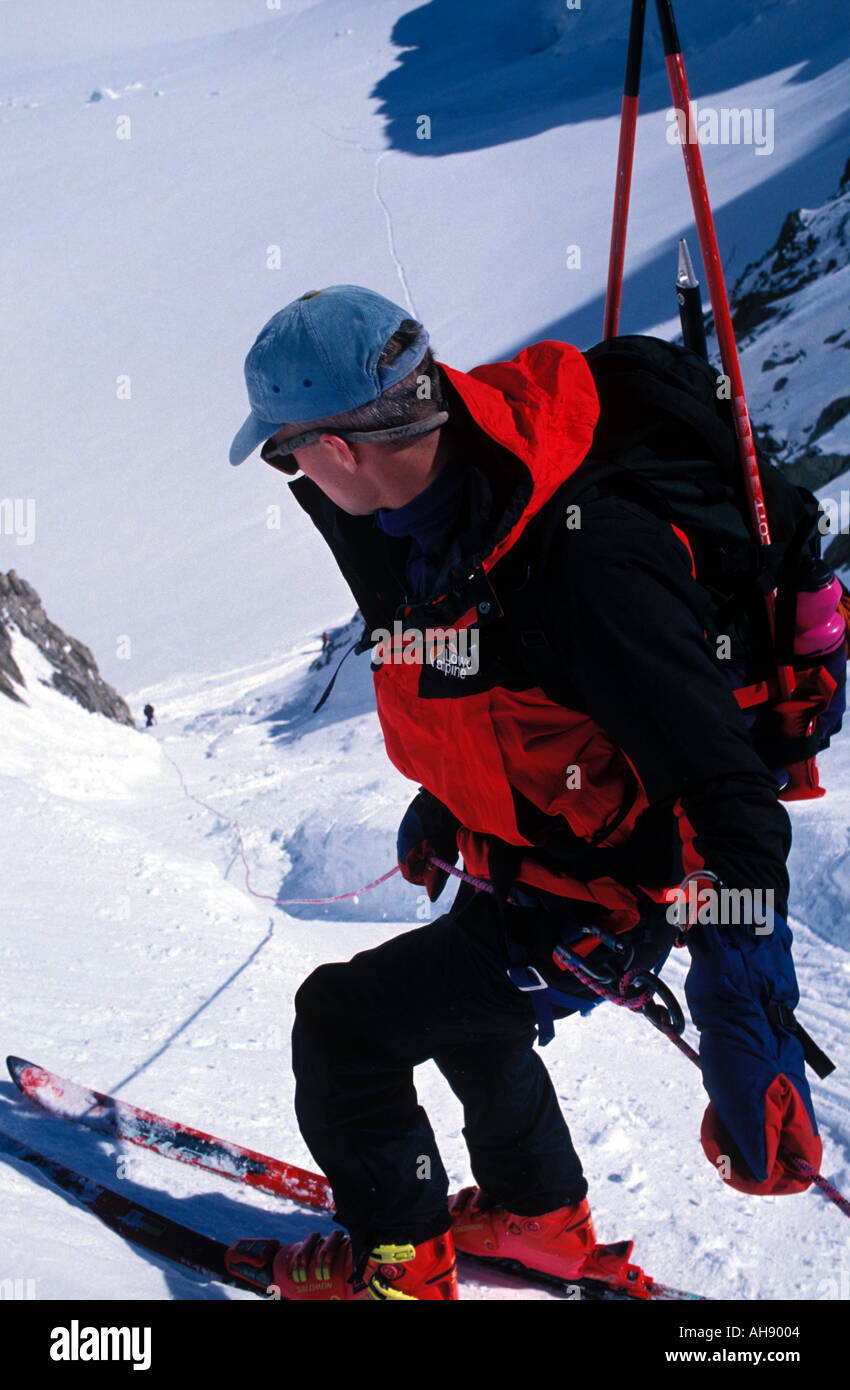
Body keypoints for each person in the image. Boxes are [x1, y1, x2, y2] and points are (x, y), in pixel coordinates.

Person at [224, 285, 822, 1301]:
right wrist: (452, 806)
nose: (297, 477)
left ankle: (400, 1272)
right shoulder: (441, 514)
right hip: (537, 875)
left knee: (344, 1025)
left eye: (285, 452)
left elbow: (729, 794)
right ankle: (539, 1215)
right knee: (464, 999)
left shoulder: (582, 558)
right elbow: (518, 698)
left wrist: (748, 1021)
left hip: (598, 905)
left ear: (334, 447)